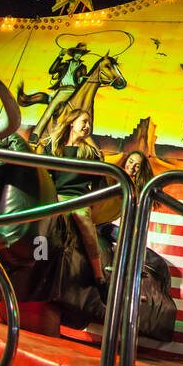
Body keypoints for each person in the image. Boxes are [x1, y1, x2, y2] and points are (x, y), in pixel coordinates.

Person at [39, 107, 113, 286]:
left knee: (86, 227)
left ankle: (98, 274)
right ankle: (37, 259)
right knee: (41, 224)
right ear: (72, 122)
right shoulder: (54, 147)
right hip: (56, 197)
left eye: (90, 123)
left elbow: (99, 184)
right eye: (84, 121)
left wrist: (91, 203)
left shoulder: (90, 153)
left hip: (79, 199)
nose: (87, 126)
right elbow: (45, 175)